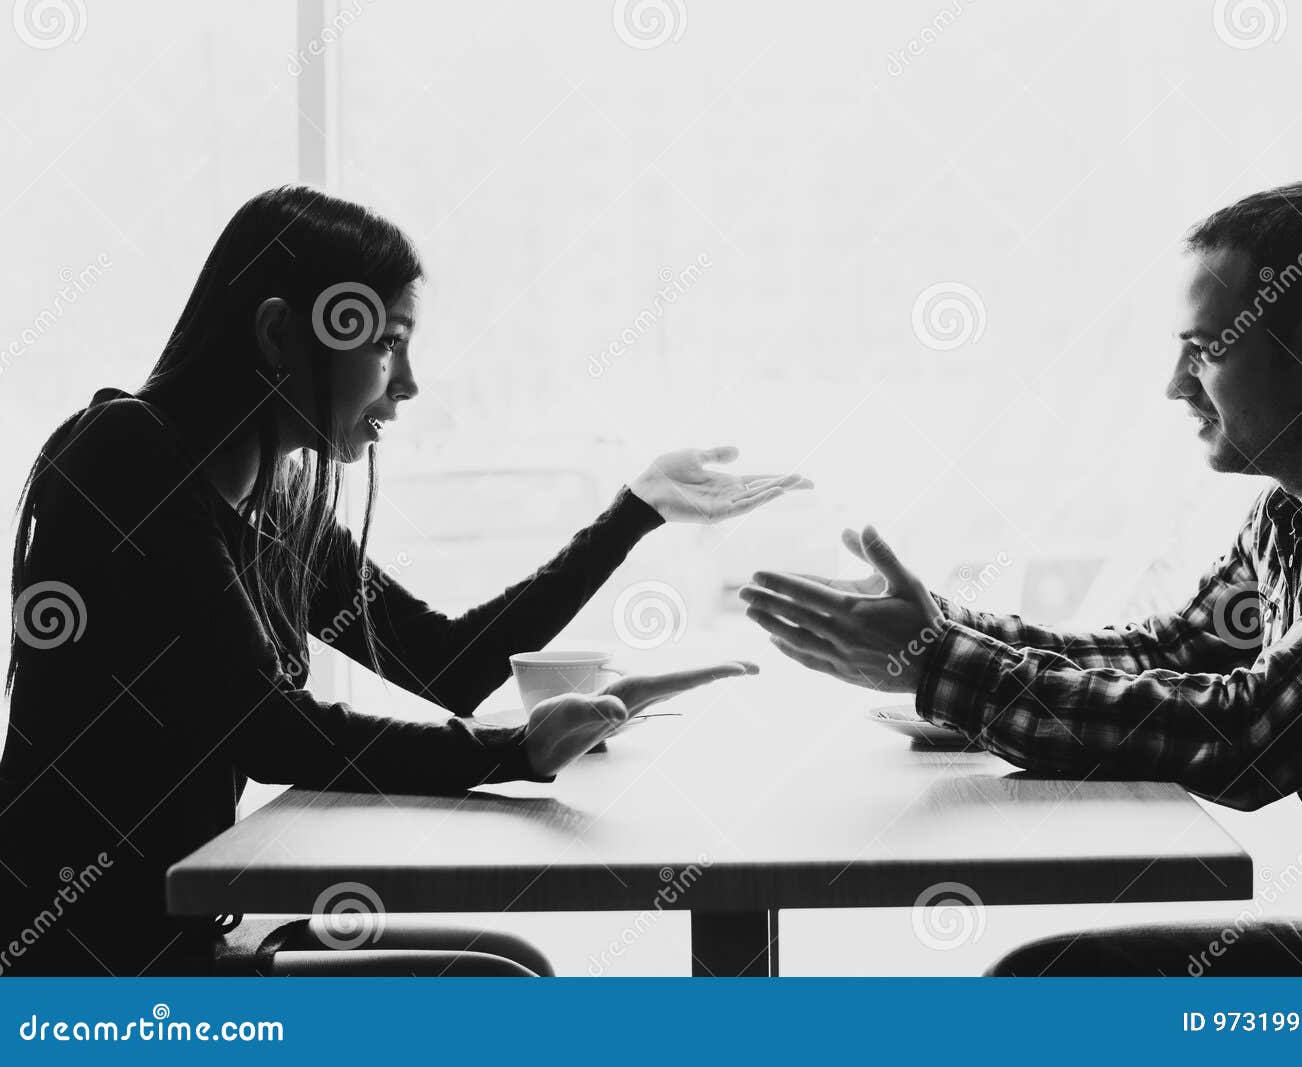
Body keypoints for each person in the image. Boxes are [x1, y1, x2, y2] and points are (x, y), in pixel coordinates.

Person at [742, 181, 1302, 975]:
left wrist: (937, 667)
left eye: (1203, 352)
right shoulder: (1298, 512)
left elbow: (1255, 736)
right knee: (1042, 985)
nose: (1173, 385)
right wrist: (945, 633)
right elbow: (1173, 652)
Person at [1, 184, 809, 976]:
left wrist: (632, 513)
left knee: (501, 971)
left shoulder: (280, 507)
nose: (409, 381)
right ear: (281, 333)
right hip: (86, 969)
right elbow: (266, 728)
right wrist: (512, 752)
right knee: (496, 981)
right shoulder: (127, 455)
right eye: (386, 342)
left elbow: (444, 663)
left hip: (184, 940)